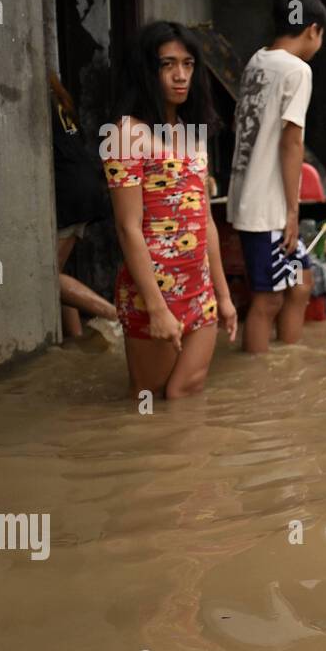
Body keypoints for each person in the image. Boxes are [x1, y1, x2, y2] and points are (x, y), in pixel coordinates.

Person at [103, 21, 238, 399]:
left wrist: (223, 297)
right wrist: (157, 308)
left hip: (200, 291)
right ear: (148, 70)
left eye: (188, 64)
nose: (181, 76)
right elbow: (128, 228)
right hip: (154, 295)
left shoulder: (193, 134)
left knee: (186, 392)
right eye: (167, 65)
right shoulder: (125, 134)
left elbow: (206, 222)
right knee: (147, 403)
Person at [226, 0, 326, 353]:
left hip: (249, 199)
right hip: (266, 208)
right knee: (267, 299)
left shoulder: (259, 60)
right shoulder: (298, 70)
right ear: (313, 30)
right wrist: (292, 210)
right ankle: (260, 382)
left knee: (300, 282)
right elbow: (291, 143)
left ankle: (288, 364)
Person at [50, 72, 119, 342]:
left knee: (48, 278)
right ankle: (76, 339)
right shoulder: (58, 98)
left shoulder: (39, 99)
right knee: (58, 270)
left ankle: (116, 317)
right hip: (82, 186)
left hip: (70, 192)